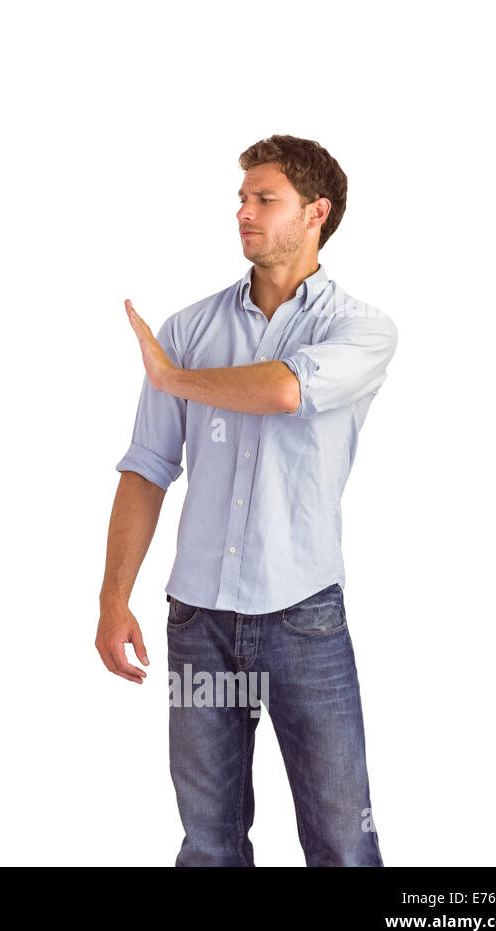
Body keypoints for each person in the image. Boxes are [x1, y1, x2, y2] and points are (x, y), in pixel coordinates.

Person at [96, 135, 397, 866]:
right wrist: (113, 599)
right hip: (198, 618)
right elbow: (146, 468)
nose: (244, 212)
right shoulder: (188, 330)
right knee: (208, 843)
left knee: (341, 843)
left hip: (304, 617)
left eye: (265, 199)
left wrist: (174, 379)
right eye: (241, 198)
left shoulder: (361, 329)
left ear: (316, 212)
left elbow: (285, 390)